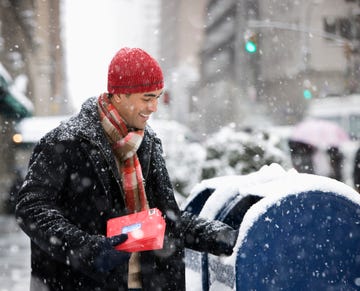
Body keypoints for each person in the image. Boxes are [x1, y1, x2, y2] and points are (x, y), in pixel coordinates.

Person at [16, 47, 238, 291]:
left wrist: (216, 236)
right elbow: (32, 209)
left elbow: (166, 217)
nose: (154, 107)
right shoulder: (64, 142)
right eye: (147, 97)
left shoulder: (147, 144)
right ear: (119, 95)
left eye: (158, 97)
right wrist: (89, 249)